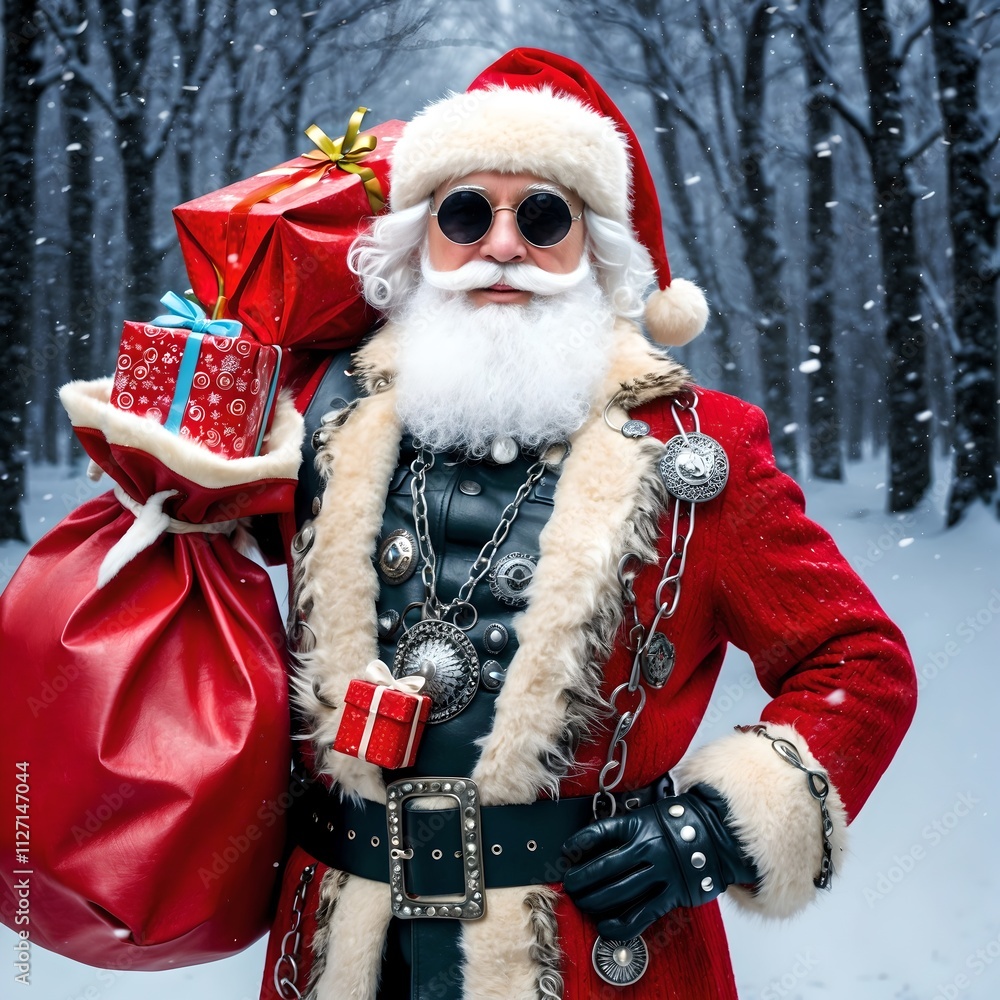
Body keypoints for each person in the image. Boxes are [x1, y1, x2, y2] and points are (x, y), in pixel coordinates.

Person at [260, 48, 917, 1000]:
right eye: (463, 213)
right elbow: (191, 602)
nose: (500, 246)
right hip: (343, 948)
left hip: (593, 952)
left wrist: (716, 829)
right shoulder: (320, 422)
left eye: (542, 217)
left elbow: (860, 661)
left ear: (595, 249)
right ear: (420, 241)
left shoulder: (703, 450)